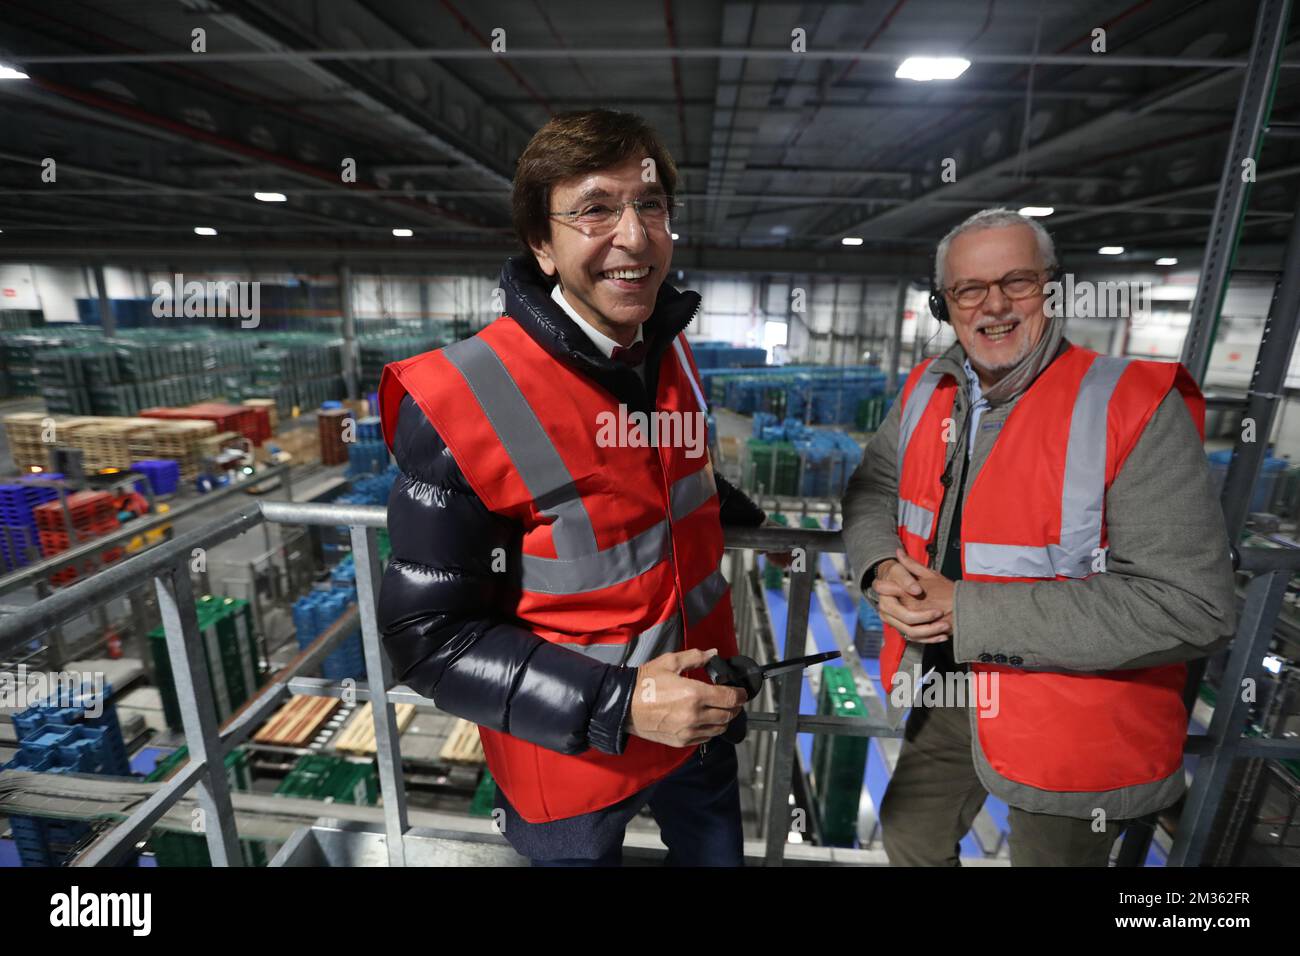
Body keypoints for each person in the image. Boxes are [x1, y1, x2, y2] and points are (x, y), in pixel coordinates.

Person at [376, 109, 782, 866]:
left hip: (699, 713)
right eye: (596, 208)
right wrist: (623, 705)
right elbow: (428, 639)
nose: (633, 236)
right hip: (570, 756)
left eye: (651, 205)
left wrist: (733, 512)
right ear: (542, 243)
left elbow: (648, 478)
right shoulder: (462, 395)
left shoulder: (667, 348)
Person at [841, 207, 1237, 866]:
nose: (994, 305)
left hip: (1077, 716)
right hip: (950, 688)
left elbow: (1193, 606)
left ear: (1052, 288)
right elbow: (874, 489)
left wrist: (965, 609)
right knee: (910, 833)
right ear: (946, 304)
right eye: (970, 289)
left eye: (1017, 282)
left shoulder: (1132, 403)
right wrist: (880, 562)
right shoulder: (928, 389)